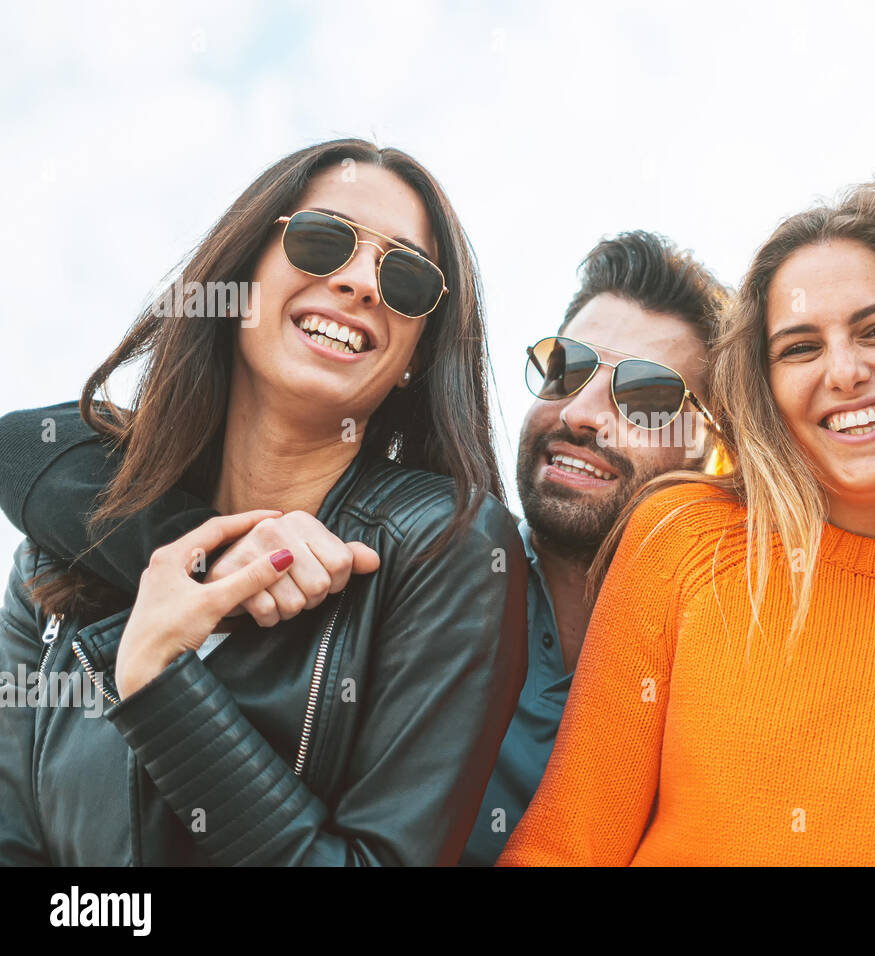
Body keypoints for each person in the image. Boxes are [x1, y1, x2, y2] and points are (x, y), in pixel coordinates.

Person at [0, 230, 728, 866]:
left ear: (715, 451)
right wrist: (221, 557)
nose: (581, 413)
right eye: (565, 369)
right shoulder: (416, 559)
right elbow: (39, 450)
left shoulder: (719, 670)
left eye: (648, 399)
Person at [498, 184, 875, 866]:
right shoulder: (681, 536)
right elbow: (566, 845)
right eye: (799, 348)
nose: (845, 373)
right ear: (764, 391)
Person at [0, 138, 528, 866]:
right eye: (322, 240)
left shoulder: (449, 549)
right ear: (240, 274)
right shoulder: (54, 562)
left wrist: (159, 682)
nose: (362, 284)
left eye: (405, 278)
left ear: (415, 358)